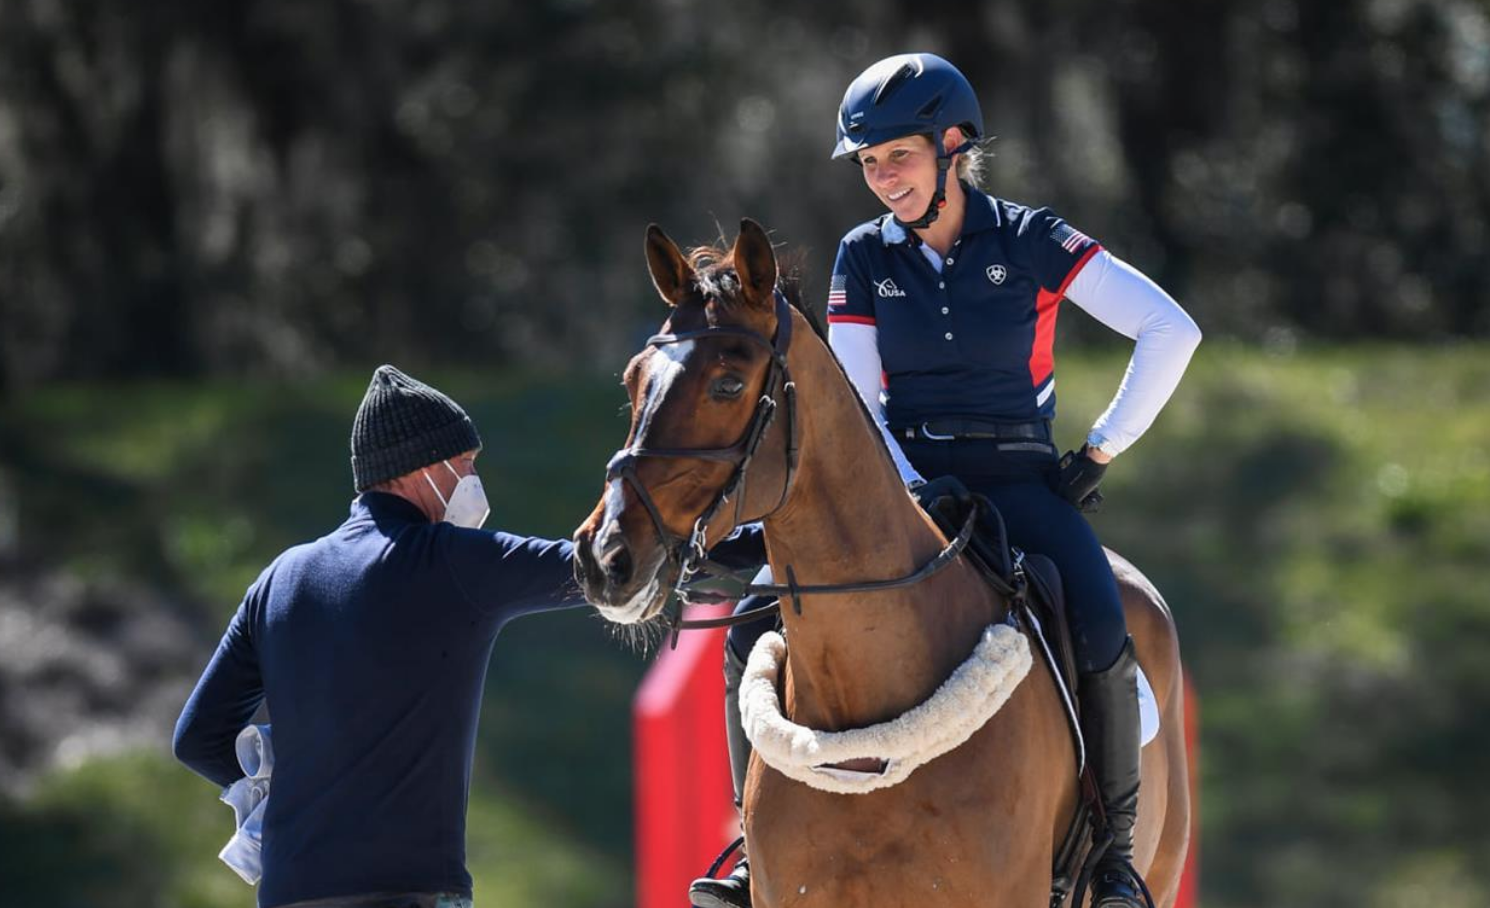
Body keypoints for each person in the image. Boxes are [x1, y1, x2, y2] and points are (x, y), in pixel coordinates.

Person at [689, 53, 1201, 908]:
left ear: (952, 145)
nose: (883, 177)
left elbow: (1169, 329)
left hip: (1021, 483)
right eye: (869, 162)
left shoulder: (1034, 239)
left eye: (899, 155)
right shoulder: (863, 257)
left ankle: (1111, 856)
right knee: (753, 631)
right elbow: (859, 403)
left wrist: (1100, 450)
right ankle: (751, 847)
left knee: (1107, 621)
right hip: (907, 486)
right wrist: (906, 490)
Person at [173, 365, 761, 908]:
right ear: (421, 468)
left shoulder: (280, 578)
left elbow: (198, 738)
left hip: (289, 891)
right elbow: (602, 565)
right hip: (407, 893)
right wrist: (764, 543)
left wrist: (293, 779)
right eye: (467, 463)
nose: (474, 480)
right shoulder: (445, 561)